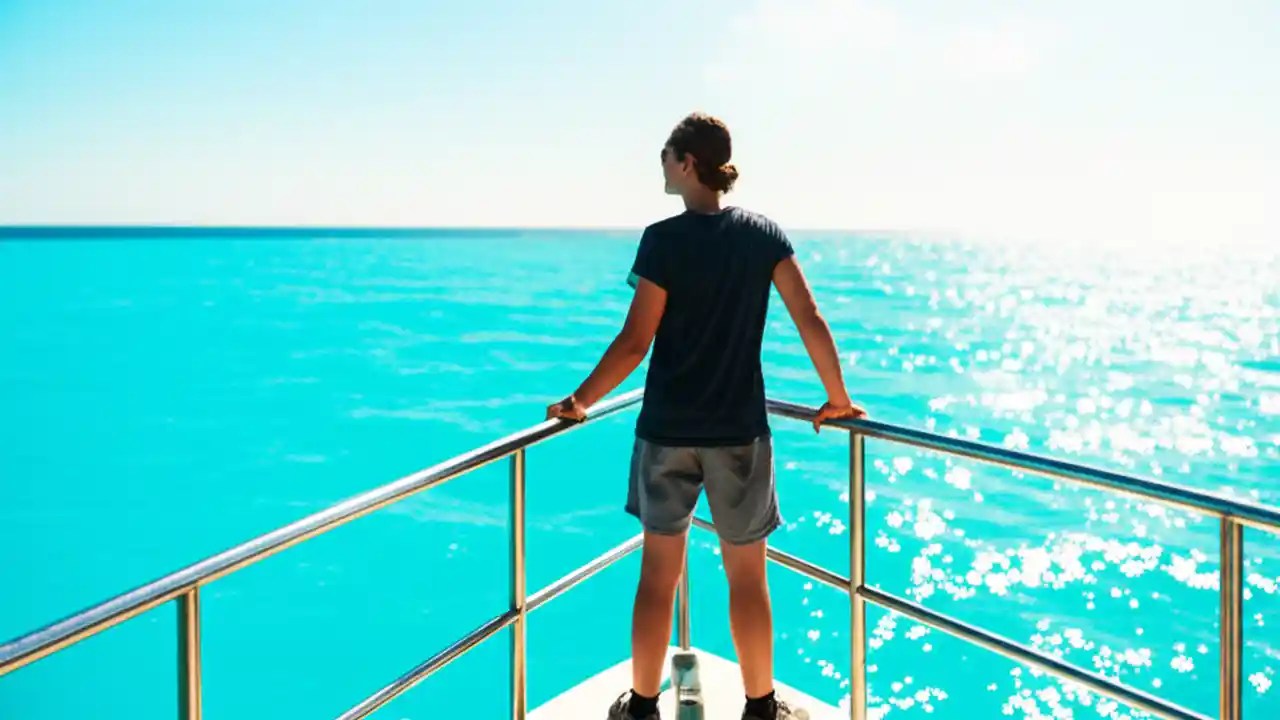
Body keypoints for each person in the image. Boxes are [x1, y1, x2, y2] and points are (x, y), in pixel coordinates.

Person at [546, 112, 865, 720]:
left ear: (687, 162)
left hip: (666, 431)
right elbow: (809, 318)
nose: (661, 165)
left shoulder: (662, 240)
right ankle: (760, 707)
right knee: (748, 579)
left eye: (665, 155)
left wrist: (580, 400)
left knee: (658, 577)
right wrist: (837, 397)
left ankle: (641, 709)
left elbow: (636, 342)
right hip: (739, 432)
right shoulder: (764, 235)